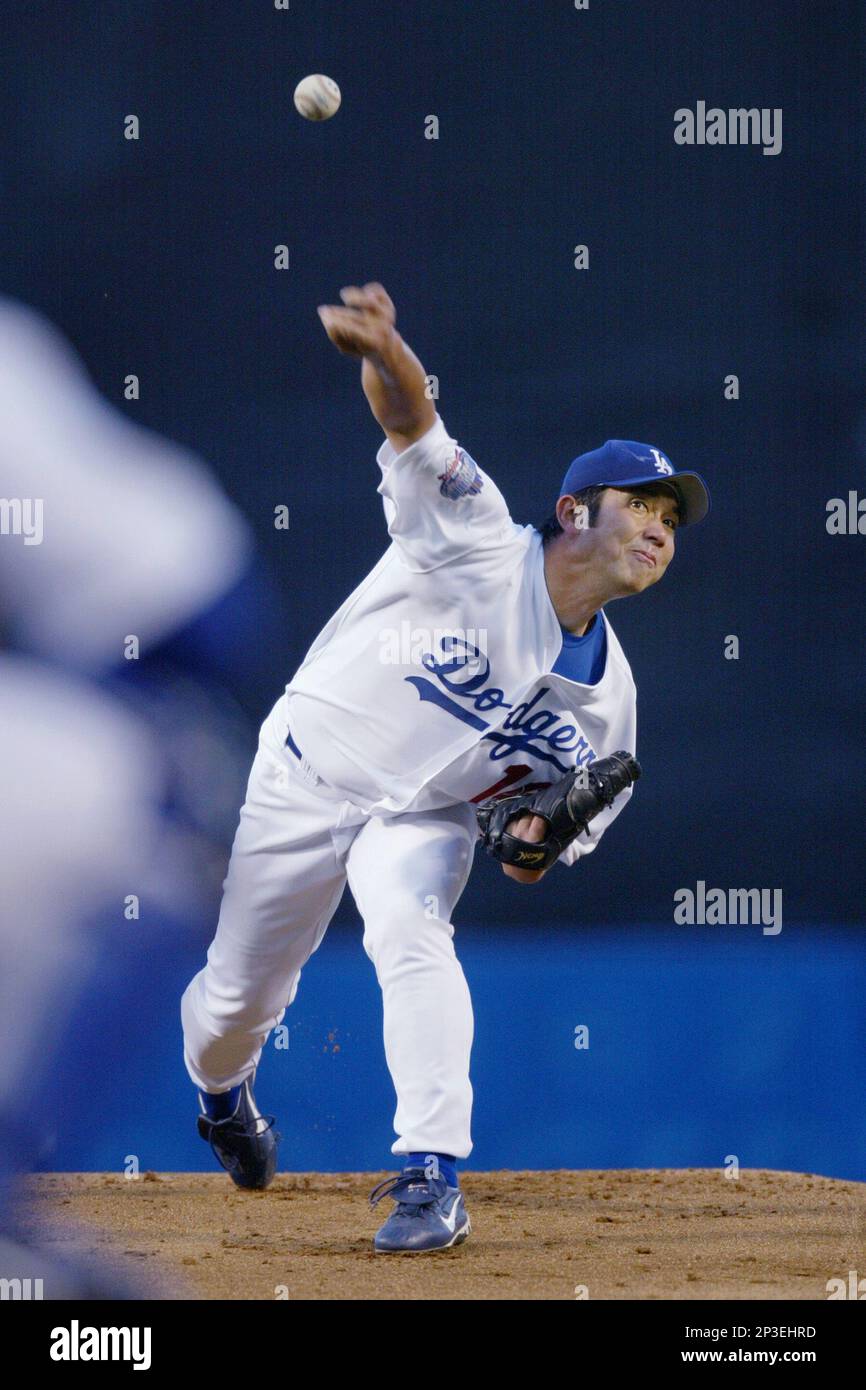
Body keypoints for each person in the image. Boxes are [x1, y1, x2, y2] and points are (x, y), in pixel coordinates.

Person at [181, 283, 710, 1253]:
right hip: (307, 774)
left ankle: (430, 1174)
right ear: (571, 511)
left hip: (420, 820)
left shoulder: (608, 709)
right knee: (234, 1003)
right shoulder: (472, 537)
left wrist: (533, 836)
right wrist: (383, 348)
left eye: (669, 519)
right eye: (637, 504)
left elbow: (523, 856)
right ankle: (224, 1098)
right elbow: (411, 419)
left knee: (412, 936)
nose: (656, 527)